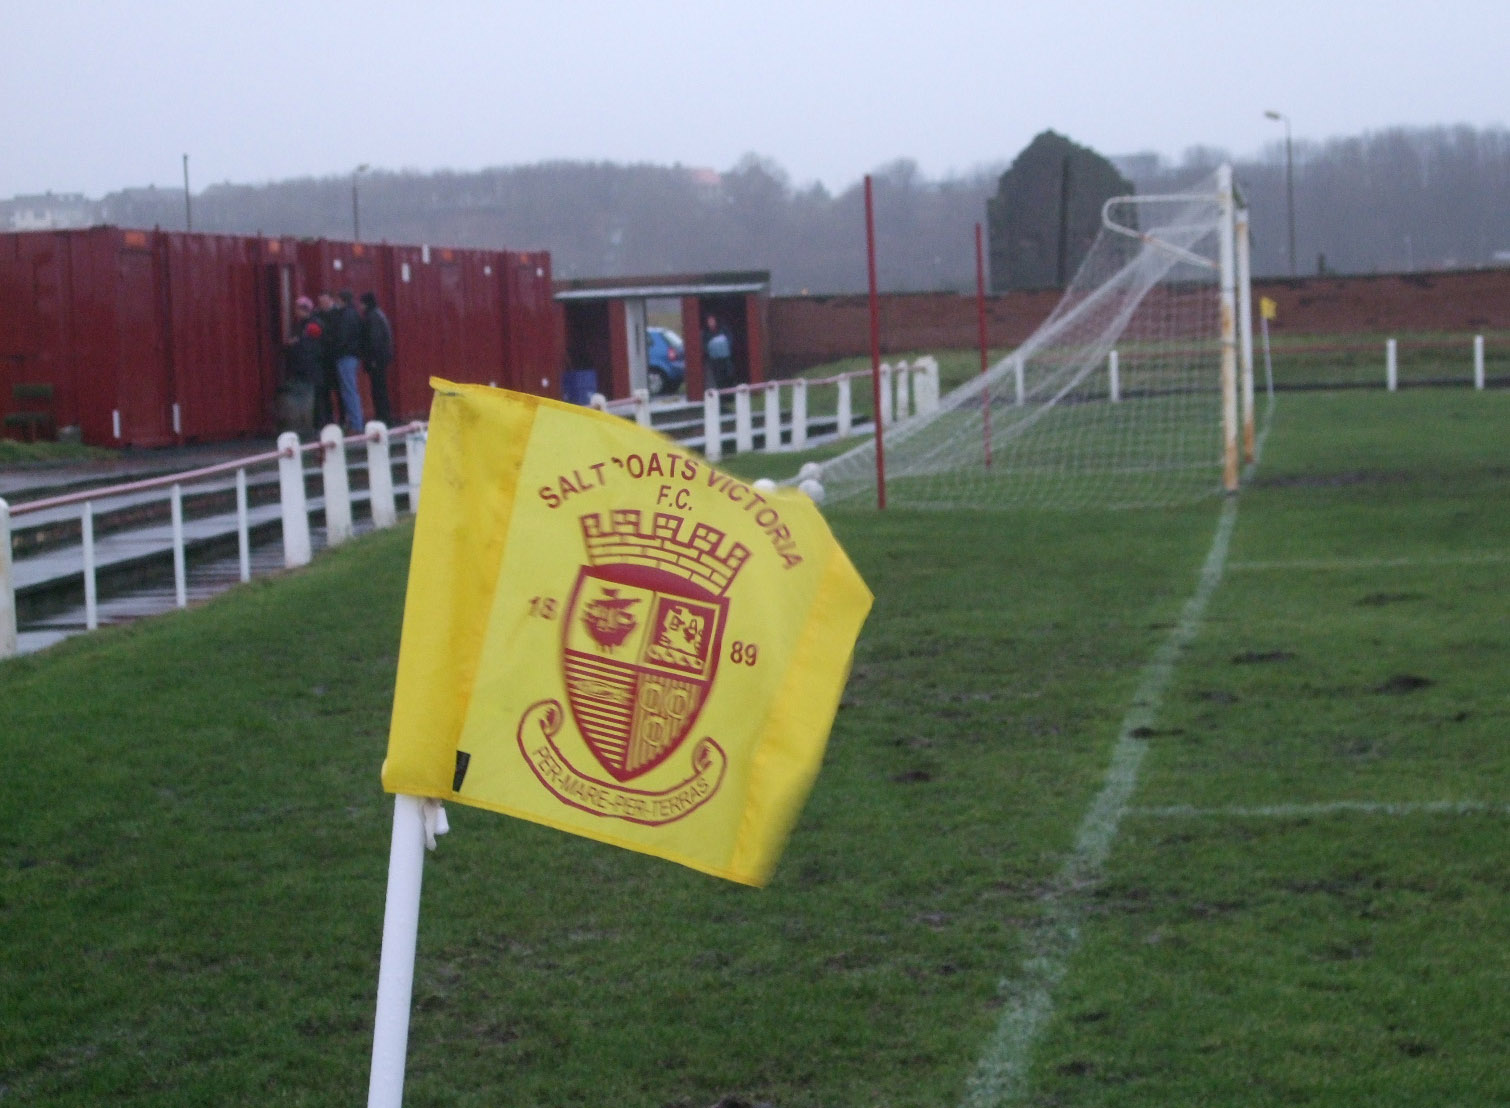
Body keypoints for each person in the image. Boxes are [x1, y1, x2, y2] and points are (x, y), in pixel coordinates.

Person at [280, 296, 324, 435]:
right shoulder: (302, 325)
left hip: (308, 367)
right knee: (303, 397)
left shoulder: (313, 325)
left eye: (298, 309)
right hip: (301, 367)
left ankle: (308, 427)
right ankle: (304, 426)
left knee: (307, 398)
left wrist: (296, 343)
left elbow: (313, 346)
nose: (295, 311)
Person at [331, 289, 366, 432]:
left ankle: (356, 424)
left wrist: (335, 349)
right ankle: (356, 422)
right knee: (350, 390)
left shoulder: (346, 315)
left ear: (342, 300)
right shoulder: (354, 314)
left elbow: (343, 337)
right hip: (352, 355)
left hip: (345, 356)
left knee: (349, 390)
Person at [360, 292, 394, 425]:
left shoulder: (372, 316)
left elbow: (375, 340)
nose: (360, 306)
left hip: (376, 360)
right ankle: (384, 416)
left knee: (378, 389)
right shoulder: (379, 314)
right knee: (381, 388)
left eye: (362, 303)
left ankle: (383, 417)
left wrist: (372, 359)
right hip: (381, 358)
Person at [313, 292, 340, 428]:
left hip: (335, 357)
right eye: (320, 302)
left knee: (339, 389)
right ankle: (328, 418)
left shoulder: (338, 314)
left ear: (330, 300)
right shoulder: (317, 315)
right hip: (323, 358)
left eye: (324, 301)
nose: (322, 304)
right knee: (325, 390)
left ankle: (342, 418)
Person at [702, 314, 735, 391]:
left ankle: (730, 394)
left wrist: (726, 347)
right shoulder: (705, 333)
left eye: (712, 320)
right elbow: (704, 345)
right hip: (715, 360)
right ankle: (721, 395)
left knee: (729, 376)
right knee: (718, 378)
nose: (711, 323)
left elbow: (730, 339)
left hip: (725, 358)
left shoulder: (723, 329)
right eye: (709, 321)